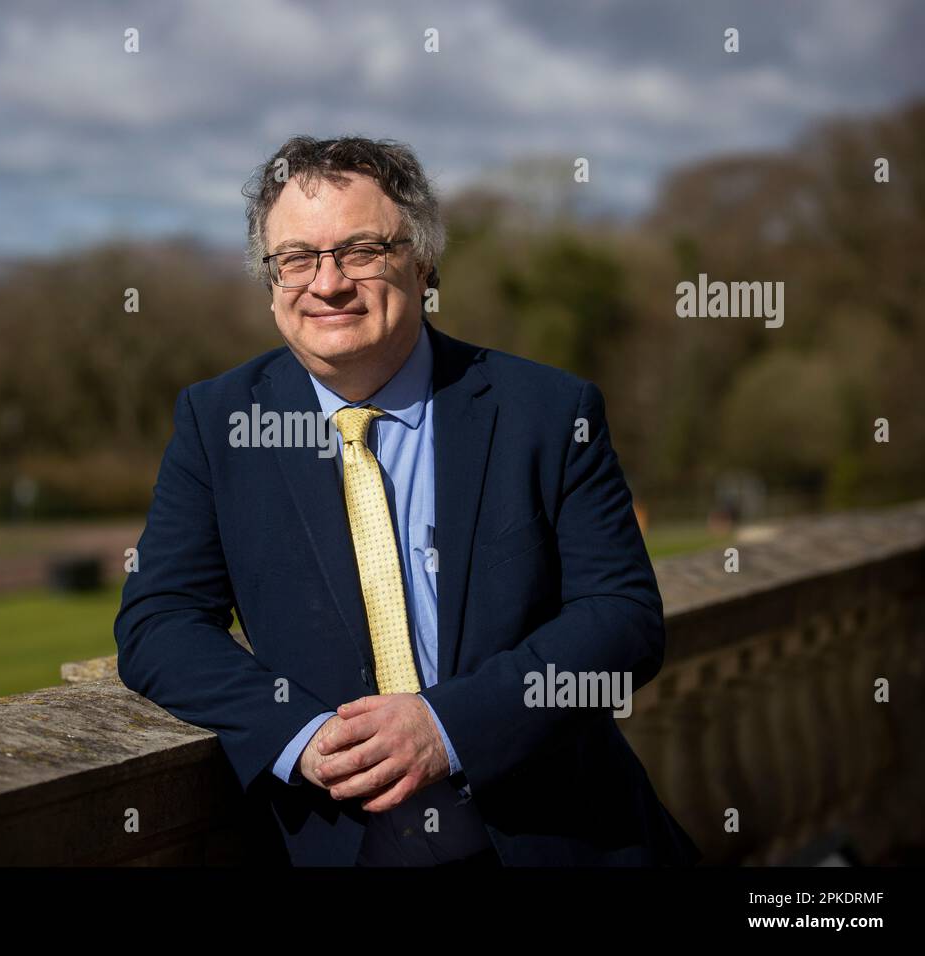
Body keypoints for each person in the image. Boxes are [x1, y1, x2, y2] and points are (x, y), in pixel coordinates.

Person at [114, 135, 700, 867]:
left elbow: (624, 620)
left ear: (423, 263)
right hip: (344, 847)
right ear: (270, 283)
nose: (327, 284)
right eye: (296, 258)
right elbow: (158, 621)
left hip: (560, 839)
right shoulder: (218, 422)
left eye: (362, 250)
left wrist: (447, 726)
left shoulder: (546, 411)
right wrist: (297, 734)